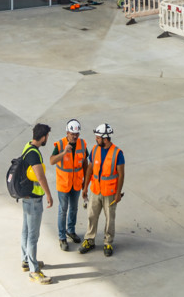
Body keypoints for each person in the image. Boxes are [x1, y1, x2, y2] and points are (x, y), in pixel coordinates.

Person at [9, 122, 55, 283]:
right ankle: (34, 271)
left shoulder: (27, 146)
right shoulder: (34, 154)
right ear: (43, 137)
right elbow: (40, 177)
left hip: (26, 197)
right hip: (34, 199)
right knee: (33, 236)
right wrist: (49, 194)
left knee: (26, 231)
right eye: (47, 136)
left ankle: (26, 261)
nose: (47, 139)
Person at [81, 121, 125, 256]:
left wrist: (118, 194)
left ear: (105, 138)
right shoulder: (95, 150)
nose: (96, 139)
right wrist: (85, 187)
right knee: (91, 216)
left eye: (98, 137)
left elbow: (121, 174)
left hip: (110, 193)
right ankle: (89, 240)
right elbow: (89, 169)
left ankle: (108, 243)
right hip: (95, 190)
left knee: (110, 219)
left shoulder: (117, 153)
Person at [50, 119, 88, 251]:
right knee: (63, 210)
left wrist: (85, 182)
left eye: (77, 134)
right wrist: (64, 152)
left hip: (76, 183)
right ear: (67, 132)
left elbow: (84, 162)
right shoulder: (60, 144)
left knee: (74, 209)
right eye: (72, 134)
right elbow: (52, 161)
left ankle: (70, 230)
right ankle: (62, 237)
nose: (75, 136)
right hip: (63, 184)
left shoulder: (82, 144)